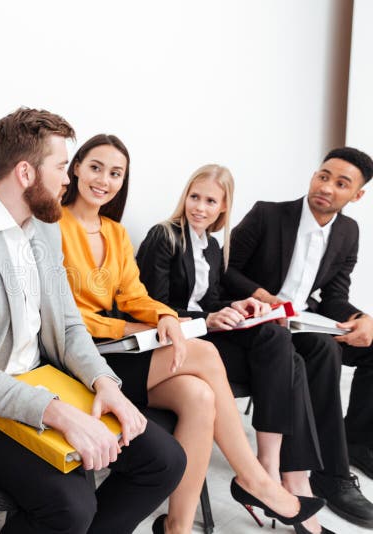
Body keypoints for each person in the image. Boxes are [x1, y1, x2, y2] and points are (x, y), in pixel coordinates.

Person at [0, 108, 186, 534]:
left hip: (43, 381)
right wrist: (58, 413)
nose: (67, 179)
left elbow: (69, 325)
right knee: (69, 507)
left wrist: (105, 385)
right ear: (26, 172)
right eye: (61, 166)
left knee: (165, 460)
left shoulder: (44, 227)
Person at [58, 134, 324, 534]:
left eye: (116, 173)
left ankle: (177, 527)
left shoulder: (113, 231)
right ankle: (254, 480)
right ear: (75, 167)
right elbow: (61, 314)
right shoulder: (50, 226)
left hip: (119, 347)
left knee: (200, 397)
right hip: (81, 354)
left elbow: (134, 294)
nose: (104, 180)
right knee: (204, 355)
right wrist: (134, 325)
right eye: (96, 168)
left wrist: (163, 316)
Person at [136, 164, 328, 534]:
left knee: (279, 342)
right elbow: (151, 306)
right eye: (195, 197)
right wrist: (207, 319)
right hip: (174, 341)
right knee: (291, 363)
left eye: (211, 201)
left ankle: (270, 467)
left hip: (202, 335)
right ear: (185, 196)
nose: (200, 207)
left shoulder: (211, 247)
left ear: (223, 208)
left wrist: (238, 307)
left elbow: (212, 299)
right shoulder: (164, 236)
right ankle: (269, 479)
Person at [223, 146, 373, 528]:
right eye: (323, 175)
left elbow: (334, 296)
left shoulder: (347, 231)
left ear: (357, 195)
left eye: (341, 183)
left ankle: (351, 447)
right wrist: (259, 295)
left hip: (302, 322)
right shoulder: (269, 215)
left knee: (366, 343)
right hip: (257, 322)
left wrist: (360, 317)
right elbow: (225, 270)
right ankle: (323, 476)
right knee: (321, 350)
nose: (326, 187)